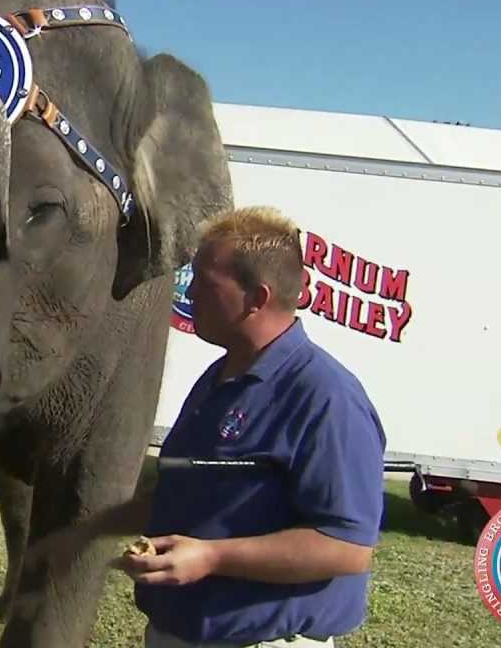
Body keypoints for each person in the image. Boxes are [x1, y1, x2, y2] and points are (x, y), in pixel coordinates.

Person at [25, 206, 386, 648]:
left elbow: (347, 547)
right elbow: (186, 494)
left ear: (256, 298)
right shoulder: (219, 378)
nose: (190, 291)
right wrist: (85, 533)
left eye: (204, 281)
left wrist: (211, 557)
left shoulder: (327, 397)